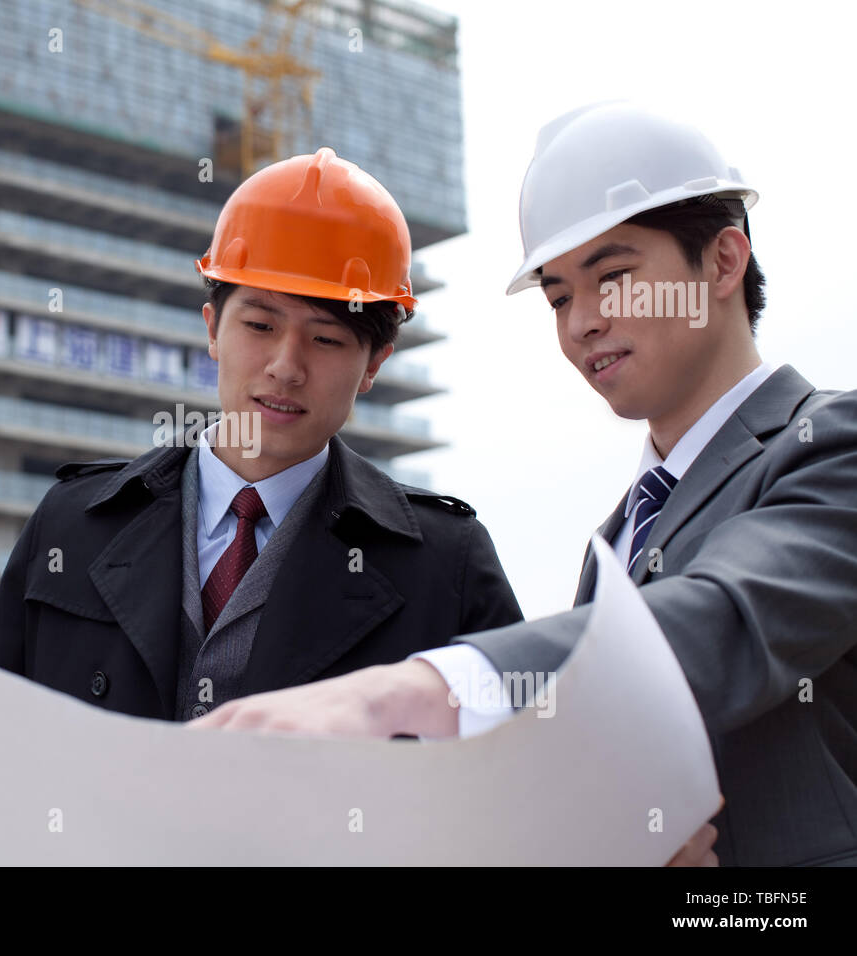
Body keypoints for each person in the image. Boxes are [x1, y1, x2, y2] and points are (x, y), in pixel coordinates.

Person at [192, 103, 857, 868]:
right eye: (559, 296)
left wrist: (405, 693)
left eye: (613, 276)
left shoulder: (832, 446)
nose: (582, 324)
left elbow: (729, 616)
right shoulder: (618, 538)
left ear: (722, 262)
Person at [0, 147, 522, 785]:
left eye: (326, 339)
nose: (285, 367)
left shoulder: (443, 563)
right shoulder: (75, 525)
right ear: (213, 327)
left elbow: (522, 785)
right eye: (259, 323)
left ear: (375, 362)